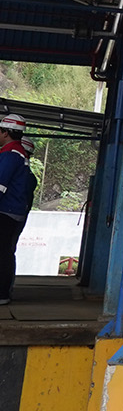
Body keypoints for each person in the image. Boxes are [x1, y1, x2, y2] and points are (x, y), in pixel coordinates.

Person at [0, 114, 33, 305]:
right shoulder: (18, 153)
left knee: (2, 253)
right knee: (5, 252)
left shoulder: (11, 154)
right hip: (14, 212)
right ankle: (4, 292)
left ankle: (2, 293)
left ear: (5, 133)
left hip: (6, 211)